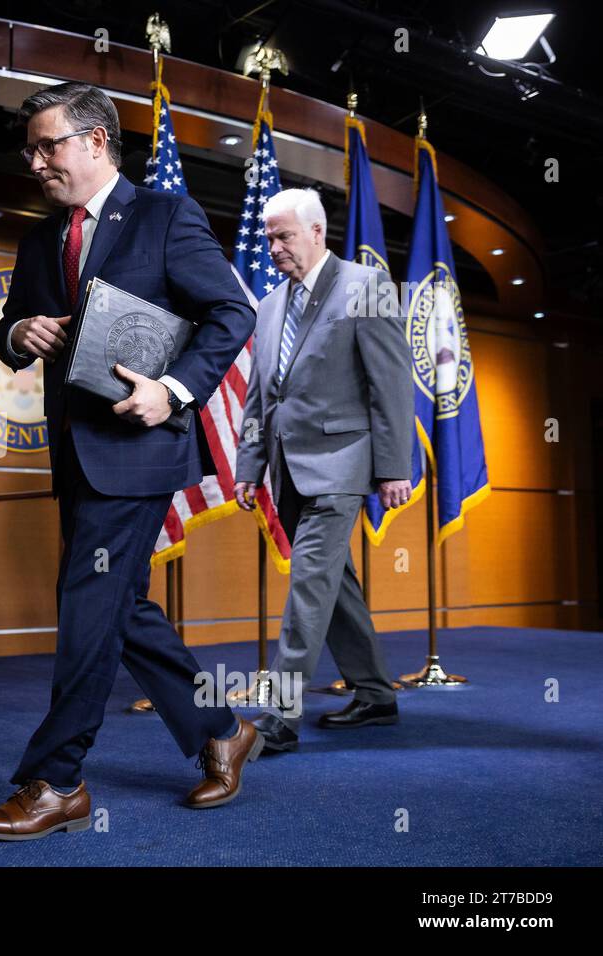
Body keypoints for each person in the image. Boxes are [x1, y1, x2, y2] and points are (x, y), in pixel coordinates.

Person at [0, 83, 261, 841]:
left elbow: (232, 312)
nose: (35, 162)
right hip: (75, 453)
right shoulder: (40, 239)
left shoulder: (165, 216)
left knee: (88, 608)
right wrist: (18, 333)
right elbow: (10, 330)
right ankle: (223, 730)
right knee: (119, 608)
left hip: (139, 450)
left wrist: (174, 390)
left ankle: (57, 780)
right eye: (31, 149)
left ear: (97, 142)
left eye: (47, 145)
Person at [234, 187, 413, 752]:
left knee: (309, 584)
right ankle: (376, 695)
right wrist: (249, 465)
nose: (274, 248)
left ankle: (278, 719)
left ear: (317, 232)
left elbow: (391, 383)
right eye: (268, 238)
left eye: (283, 236)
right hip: (288, 469)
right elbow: (261, 399)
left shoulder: (369, 287)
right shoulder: (267, 308)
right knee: (336, 587)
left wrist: (393, 468)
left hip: (342, 466)